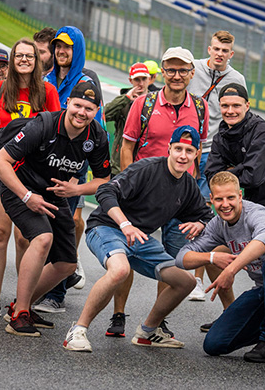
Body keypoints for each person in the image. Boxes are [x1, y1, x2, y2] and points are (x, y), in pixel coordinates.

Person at [63, 126, 212, 352]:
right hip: (107, 227)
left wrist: (201, 223)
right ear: (169, 148)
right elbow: (105, 191)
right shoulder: (147, 168)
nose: (183, 156)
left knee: (186, 282)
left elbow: (207, 215)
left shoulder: (188, 185)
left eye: (189, 151)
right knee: (120, 270)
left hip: (140, 239)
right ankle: (77, 330)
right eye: (178, 149)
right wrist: (125, 224)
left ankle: (148, 331)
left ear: (197, 154)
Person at [0, 82, 111, 336]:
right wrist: (26, 196)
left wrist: (76, 190)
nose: (82, 113)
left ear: (96, 111)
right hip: (20, 189)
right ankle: (20, 315)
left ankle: (21, 306)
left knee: (67, 264)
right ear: (68, 103)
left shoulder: (97, 137)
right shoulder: (44, 124)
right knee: (43, 238)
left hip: (54, 196)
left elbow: (104, 179)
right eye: (78, 105)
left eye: (89, 109)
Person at [178, 171, 265, 363]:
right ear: (211, 199)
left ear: (240, 196)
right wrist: (212, 257)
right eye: (219, 199)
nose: (225, 204)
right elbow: (181, 258)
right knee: (214, 344)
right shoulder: (217, 224)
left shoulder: (258, 214)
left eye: (230, 197)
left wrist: (231, 270)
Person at [112, 46, 208, 332]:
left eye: (182, 70)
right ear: (162, 72)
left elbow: (198, 151)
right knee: (128, 254)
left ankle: (156, 323)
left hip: (180, 197)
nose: (176, 76)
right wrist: (128, 185)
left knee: (172, 262)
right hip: (143, 194)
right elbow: (127, 146)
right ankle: (118, 315)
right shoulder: (144, 103)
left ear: (192, 73)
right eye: (171, 70)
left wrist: (193, 188)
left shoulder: (200, 107)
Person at [0, 38, 60, 318]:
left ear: (37, 61)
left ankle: (22, 299)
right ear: (12, 60)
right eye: (19, 55)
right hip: (2, 166)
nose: (24, 60)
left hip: (32, 171)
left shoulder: (47, 91)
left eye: (29, 56)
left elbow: (55, 128)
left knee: (25, 237)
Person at [40, 26, 104, 311]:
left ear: (77, 50)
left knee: (62, 229)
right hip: (43, 166)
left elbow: (94, 128)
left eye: (67, 47)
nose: (61, 51)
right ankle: (40, 289)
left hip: (70, 168)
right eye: (58, 46)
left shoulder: (86, 83)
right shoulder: (46, 79)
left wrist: (80, 174)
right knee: (41, 231)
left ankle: (56, 295)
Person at [204, 84, 265, 234]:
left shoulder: (262, 131)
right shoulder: (220, 138)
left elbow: (253, 177)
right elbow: (213, 178)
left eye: (236, 106)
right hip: (252, 206)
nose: (230, 111)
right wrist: (244, 167)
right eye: (225, 106)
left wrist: (229, 172)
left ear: (247, 106)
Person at [188, 31, 246, 200]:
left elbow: (241, 116)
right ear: (209, 49)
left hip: (213, 151)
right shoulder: (192, 69)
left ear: (231, 54)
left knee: (204, 202)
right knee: (179, 197)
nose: (220, 54)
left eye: (225, 51)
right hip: (187, 146)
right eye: (216, 49)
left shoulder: (237, 79)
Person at [103, 63, 152, 175]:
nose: (141, 83)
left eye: (144, 79)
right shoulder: (123, 102)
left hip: (145, 165)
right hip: (119, 166)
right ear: (130, 80)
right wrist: (125, 98)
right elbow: (103, 115)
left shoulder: (155, 102)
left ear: (149, 79)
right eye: (137, 79)